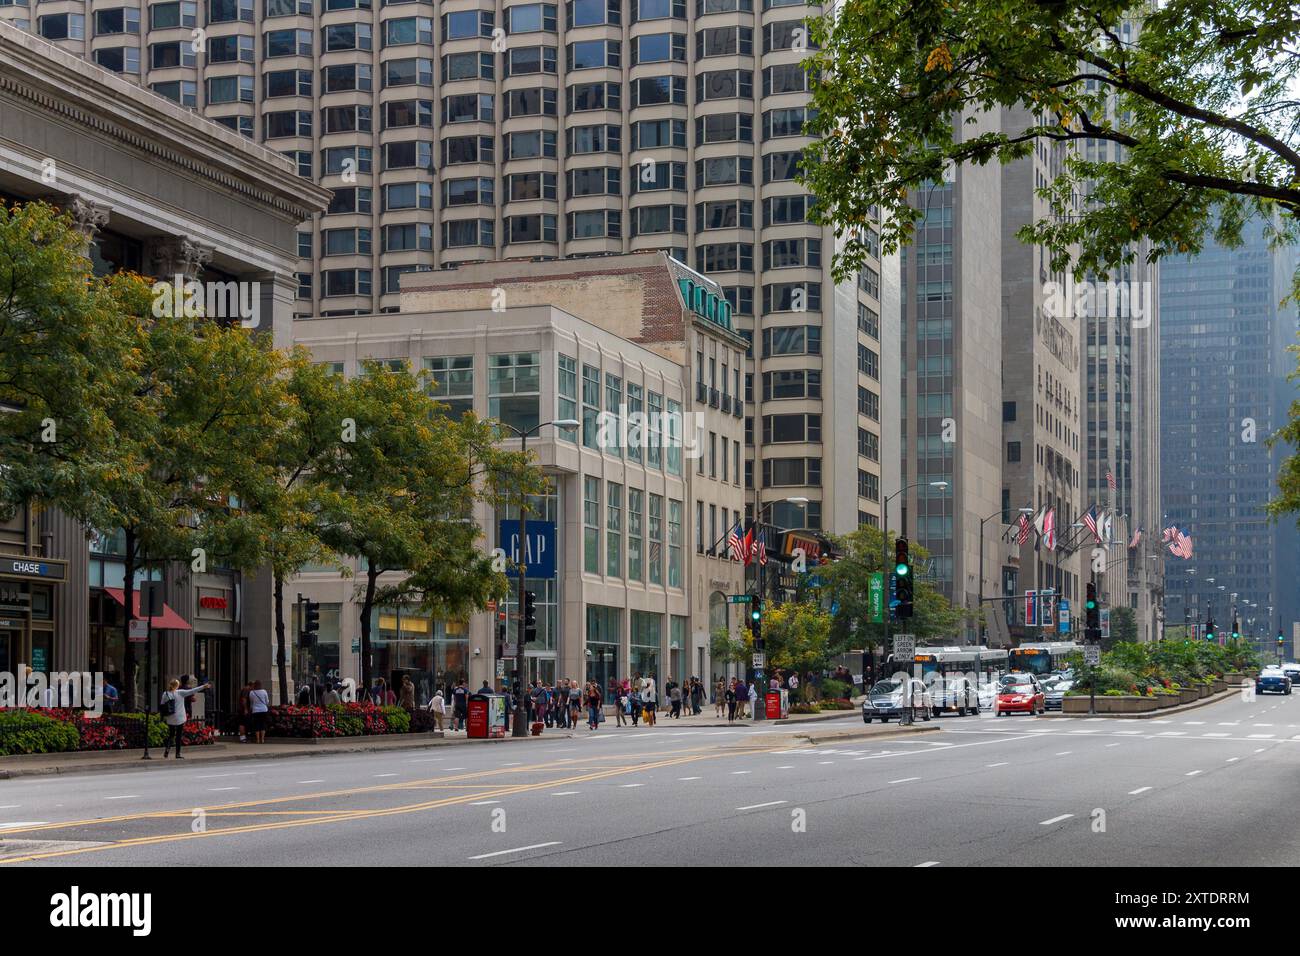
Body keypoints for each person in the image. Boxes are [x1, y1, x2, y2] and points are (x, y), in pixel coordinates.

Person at [162, 677, 210, 758]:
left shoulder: (165, 694)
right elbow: (192, 691)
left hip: (170, 717)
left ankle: (167, 749)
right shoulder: (180, 692)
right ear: (177, 686)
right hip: (179, 718)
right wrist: (203, 686)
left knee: (171, 734)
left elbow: (162, 705)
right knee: (178, 736)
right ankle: (177, 754)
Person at [247, 679, 270, 744]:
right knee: (263, 724)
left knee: (256, 725)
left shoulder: (252, 692)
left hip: (255, 710)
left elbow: (251, 702)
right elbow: (267, 701)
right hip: (264, 710)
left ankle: (257, 739)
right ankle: (262, 739)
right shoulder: (264, 691)